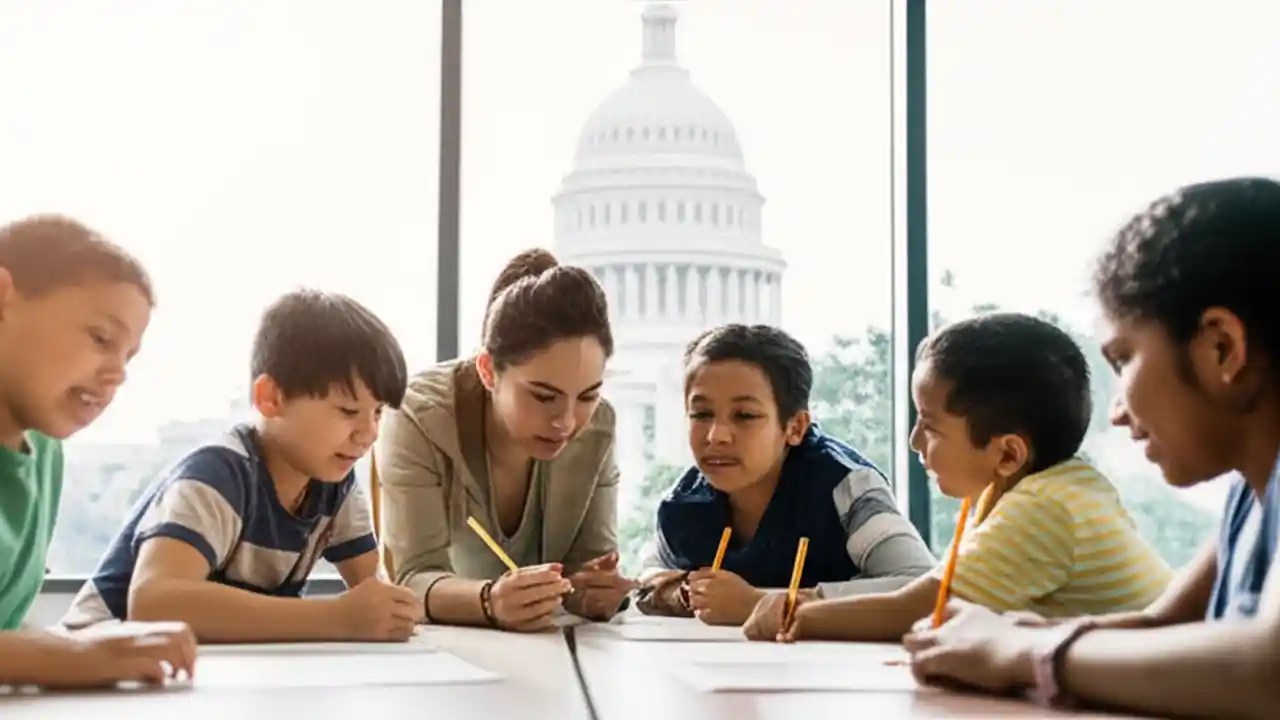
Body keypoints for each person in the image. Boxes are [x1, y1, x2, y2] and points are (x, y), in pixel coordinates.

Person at [903, 177, 1280, 716]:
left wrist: (1030, 652)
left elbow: (1268, 668)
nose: (1117, 412)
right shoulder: (1253, 492)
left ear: (1221, 348)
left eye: (1123, 359)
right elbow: (1161, 624)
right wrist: (1009, 637)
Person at [744, 313, 1172, 642]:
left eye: (929, 426)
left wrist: (797, 613)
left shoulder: (1046, 507)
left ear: (1007, 453)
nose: (914, 442)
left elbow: (924, 606)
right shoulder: (1041, 490)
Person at [61, 289, 423, 642]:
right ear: (271, 398)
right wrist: (335, 617)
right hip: (92, 664)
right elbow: (154, 604)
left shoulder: (334, 484)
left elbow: (371, 593)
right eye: (348, 411)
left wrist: (391, 611)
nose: (369, 432)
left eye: (377, 413)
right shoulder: (217, 476)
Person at [377, 249, 633, 631]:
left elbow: (588, 567)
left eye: (587, 396)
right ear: (488, 370)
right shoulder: (419, 415)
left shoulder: (599, 426)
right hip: (446, 654)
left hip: (557, 657)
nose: (566, 422)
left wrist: (595, 591)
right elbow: (410, 576)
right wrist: (489, 601)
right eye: (543, 396)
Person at [0, 215, 195, 687]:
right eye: (102, 338)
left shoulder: (44, 450)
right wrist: (71, 655)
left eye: (128, 356)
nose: (118, 374)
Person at [635, 324, 934, 626]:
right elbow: (646, 577)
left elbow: (923, 587)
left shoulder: (846, 487)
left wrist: (765, 604)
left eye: (745, 416)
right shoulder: (684, 501)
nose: (717, 436)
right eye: (701, 414)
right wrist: (683, 593)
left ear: (795, 427)